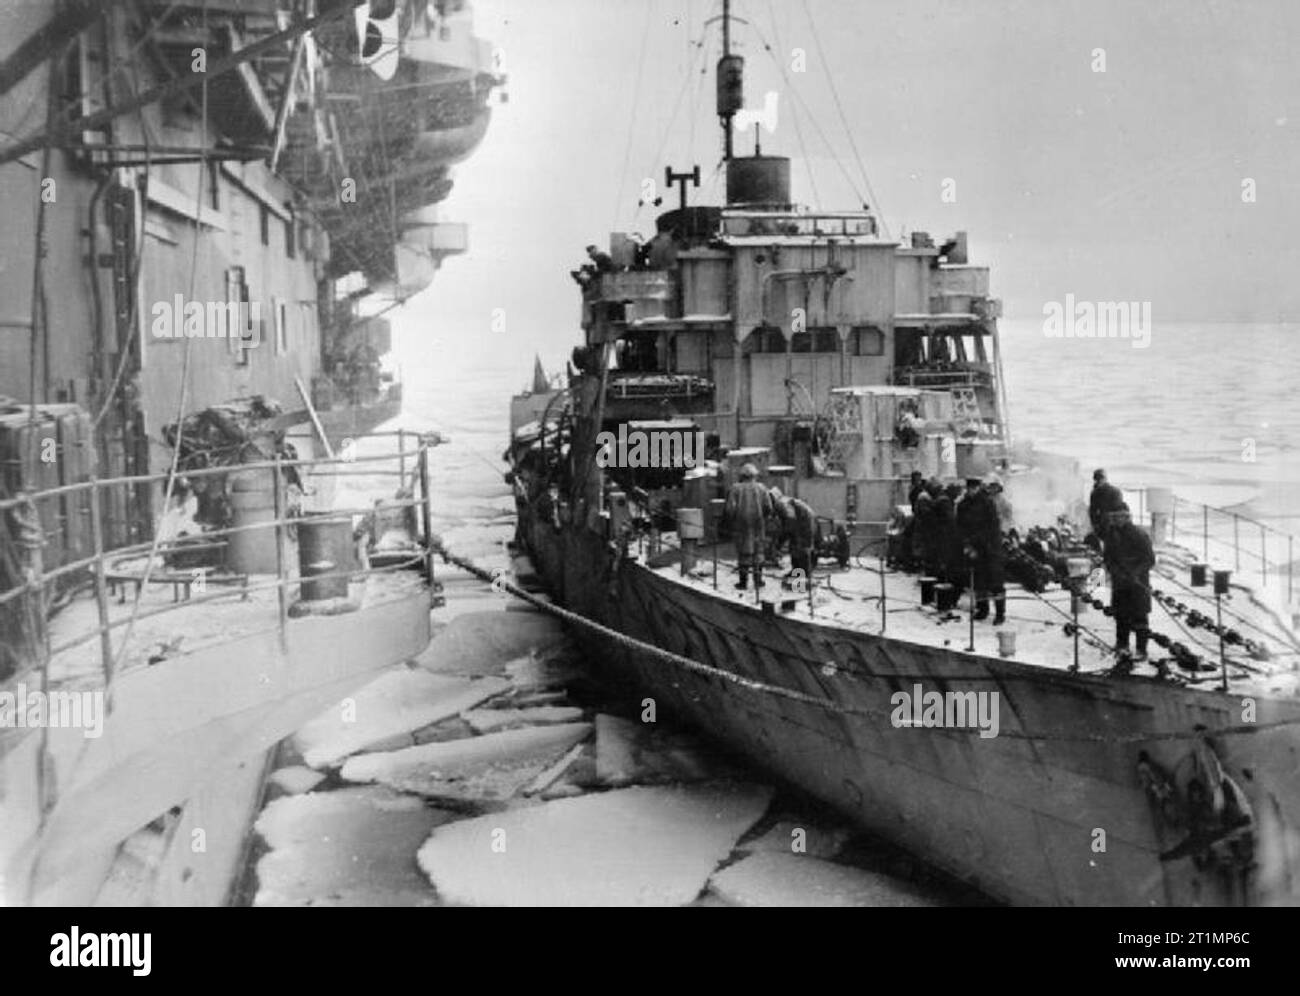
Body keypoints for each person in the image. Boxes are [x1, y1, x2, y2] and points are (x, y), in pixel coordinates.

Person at [1104, 504, 1154, 661]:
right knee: (1121, 616)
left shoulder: (1139, 535)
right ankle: (1122, 646)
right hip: (1121, 583)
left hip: (1139, 583)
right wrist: (1118, 573)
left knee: (1140, 617)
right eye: (1113, 517)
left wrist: (1134, 573)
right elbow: (1108, 559)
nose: (1115, 520)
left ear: (1126, 517)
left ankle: (1141, 650)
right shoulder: (1111, 536)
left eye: (1118, 516)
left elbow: (1149, 560)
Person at [955, 476, 1006, 624]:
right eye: (970, 488)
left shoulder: (987, 503)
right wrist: (967, 545)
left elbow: (993, 527)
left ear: (978, 488)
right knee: (978, 582)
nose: (972, 491)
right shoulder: (963, 505)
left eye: (974, 488)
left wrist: (983, 543)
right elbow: (959, 527)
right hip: (974, 549)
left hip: (990, 548)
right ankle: (982, 609)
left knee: (996, 582)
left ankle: (1000, 613)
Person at [723, 463, 774, 590]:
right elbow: (769, 507)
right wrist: (762, 517)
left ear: (742, 475)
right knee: (758, 553)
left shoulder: (735, 489)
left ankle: (743, 583)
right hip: (758, 525)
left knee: (743, 554)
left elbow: (729, 510)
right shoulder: (762, 488)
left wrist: (732, 521)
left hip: (741, 526)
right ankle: (758, 581)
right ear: (754, 475)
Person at [769, 487, 817, 584]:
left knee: (802, 548)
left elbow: (790, 522)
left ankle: (804, 578)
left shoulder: (782, 503)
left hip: (805, 523)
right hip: (800, 522)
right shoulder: (781, 503)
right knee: (794, 548)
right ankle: (796, 572)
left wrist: (781, 541)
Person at [1088, 469, 1125, 540]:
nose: (1098, 481)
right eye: (1097, 479)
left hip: (1105, 526)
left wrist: (1095, 526)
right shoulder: (1116, 491)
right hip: (1114, 526)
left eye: (1099, 479)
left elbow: (1092, 512)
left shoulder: (1096, 493)